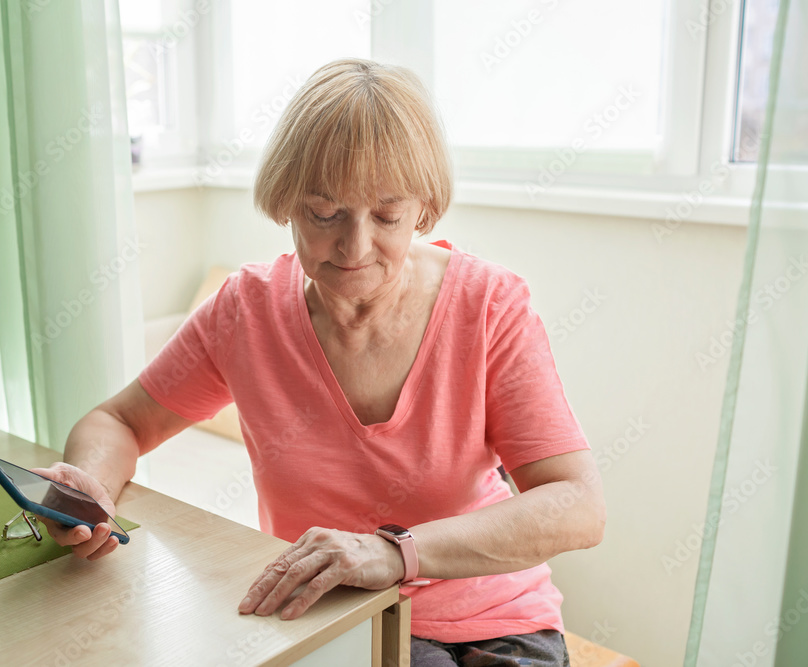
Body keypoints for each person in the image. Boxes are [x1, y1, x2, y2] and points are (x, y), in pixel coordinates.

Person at [33, 58, 605, 667]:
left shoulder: (488, 305)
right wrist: (90, 487)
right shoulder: (246, 310)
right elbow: (119, 422)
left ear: (424, 209)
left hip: (496, 623)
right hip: (331, 617)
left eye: (387, 215)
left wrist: (394, 553)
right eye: (324, 213)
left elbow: (577, 504)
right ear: (286, 204)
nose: (354, 247)